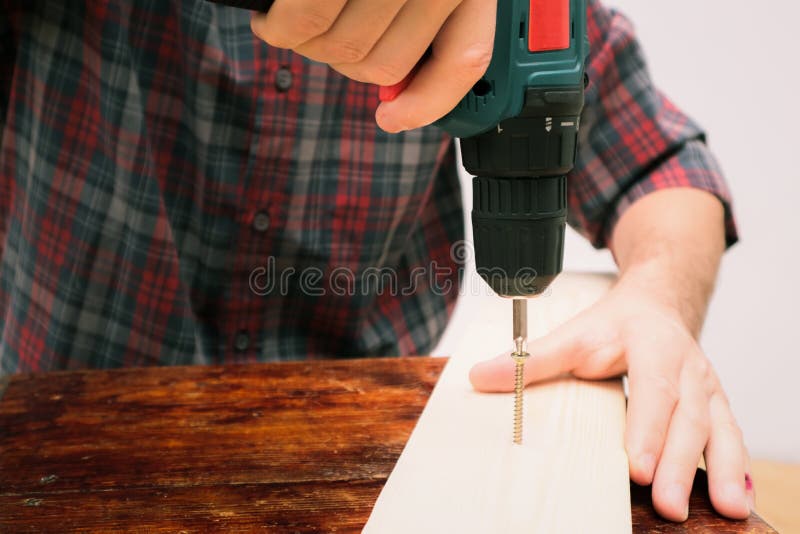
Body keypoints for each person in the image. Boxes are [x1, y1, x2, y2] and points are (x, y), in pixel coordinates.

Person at [0, 0, 752, 522]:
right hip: (61, 450)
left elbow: (664, 164)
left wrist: (658, 298)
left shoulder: (511, 14)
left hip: (362, 462)